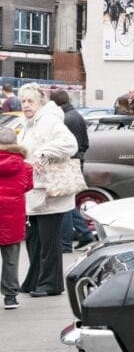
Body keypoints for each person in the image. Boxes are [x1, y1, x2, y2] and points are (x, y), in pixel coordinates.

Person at [17, 84, 78, 298]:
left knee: (48, 242)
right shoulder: (29, 123)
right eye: (23, 101)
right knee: (34, 240)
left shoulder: (49, 120)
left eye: (30, 101)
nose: (25, 105)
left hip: (51, 193)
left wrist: (43, 152)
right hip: (35, 193)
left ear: (40, 102)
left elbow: (70, 144)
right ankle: (34, 280)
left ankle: (51, 284)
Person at [49, 90, 95, 250]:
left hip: (68, 162)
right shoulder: (77, 115)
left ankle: (66, 243)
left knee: (65, 202)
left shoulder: (64, 119)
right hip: (78, 159)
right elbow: (86, 142)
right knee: (68, 201)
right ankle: (84, 233)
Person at [0, 127, 32, 309]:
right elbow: (27, 186)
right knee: (11, 259)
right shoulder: (25, 167)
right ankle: (10, 297)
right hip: (13, 217)